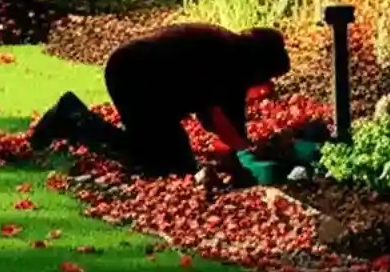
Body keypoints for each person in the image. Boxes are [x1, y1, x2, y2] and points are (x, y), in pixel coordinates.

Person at [29, 22, 291, 177]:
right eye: (267, 78)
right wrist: (244, 151)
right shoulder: (225, 60)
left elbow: (230, 122)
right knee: (160, 161)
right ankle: (72, 117)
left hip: (149, 79)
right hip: (135, 74)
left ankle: (72, 117)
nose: (266, 86)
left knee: (178, 164)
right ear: (259, 68)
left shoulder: (232, 56)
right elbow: (212, 117)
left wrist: (242, 150)